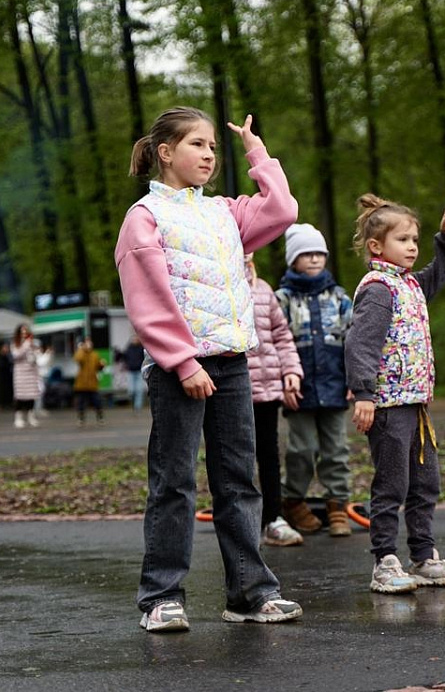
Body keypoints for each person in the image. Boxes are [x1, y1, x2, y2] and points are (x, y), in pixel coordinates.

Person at [116, 107, 301, 631]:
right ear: (166, 153)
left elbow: (282, 209)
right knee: (174, 482)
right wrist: (181, 360)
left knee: (240, 481)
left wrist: (256, 153)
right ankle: (161, 598)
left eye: (213, 148)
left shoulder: (224, 212)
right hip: (181, 369)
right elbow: (147, 299)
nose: (208, 155)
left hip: (233, 362)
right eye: (197, 145)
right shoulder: (145, 217)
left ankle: (249, 594)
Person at [346, 193, 445, 594]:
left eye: (416, 239)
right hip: (386, 405)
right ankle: (385, 560)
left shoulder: (411, 284)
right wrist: (364, 394)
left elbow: (444, 268)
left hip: (415, 403)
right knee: (391, 485)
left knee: (424, 482)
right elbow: (360, 343)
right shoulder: (380, 288)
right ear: (377, 247)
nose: (413, 247)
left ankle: (423, 555)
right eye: (404, 240)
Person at [275, 223, 354, 537]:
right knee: (302, 449)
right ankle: (292, 501)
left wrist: (356, 380)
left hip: (335, 386)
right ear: (293, 260)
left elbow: (353, 340)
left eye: (319, 253)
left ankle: (337, 504)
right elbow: (274, 343)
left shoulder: (338, 298)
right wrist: (283, 381)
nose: (314, 259)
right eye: (306, 254)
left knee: (336, 449)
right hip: (300, 390)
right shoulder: (282, 299)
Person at [245, 253, 305, 547]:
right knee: (235, 460)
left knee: (269, 454)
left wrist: (291, 371)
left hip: (266, 389)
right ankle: (241, 524)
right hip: (232, 390)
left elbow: (282, 336)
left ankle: (273, 519)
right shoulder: (215, 287)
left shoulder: (263, 289)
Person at [8, 325, 41, 429]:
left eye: (25, 332)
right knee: (20, 396)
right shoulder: (15, 344)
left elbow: (36, 355)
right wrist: (26, 345)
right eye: (22, 332)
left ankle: (31, 417)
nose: (24, 334)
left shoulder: (32, 343)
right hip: (20, 373)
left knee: (31, 396)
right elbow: (16, 355)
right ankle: (18, 418)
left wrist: (35, 352)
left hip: (31, 373)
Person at [73, 338, 105, 425]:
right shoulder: (81, 353)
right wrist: (82, 349)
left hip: (92, 382)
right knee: (81, 402)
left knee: (97, 401)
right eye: (87, 343)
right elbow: (77, 359)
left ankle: (100, 417)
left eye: (90, 343)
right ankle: (81, 418)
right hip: (81, 383)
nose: (89, 345)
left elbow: (99, 366)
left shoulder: (94, 354)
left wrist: (102, 365)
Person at [122, 334, 146, 410]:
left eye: (136, 338)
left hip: (139, 371)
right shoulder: (128, 348)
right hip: (131, 371)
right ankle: (133, 402)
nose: (135, 340)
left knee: (139, 390)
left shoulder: (142, 348)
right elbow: (124, 357)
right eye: (134, 338)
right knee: (131, 390)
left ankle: (137, 407)